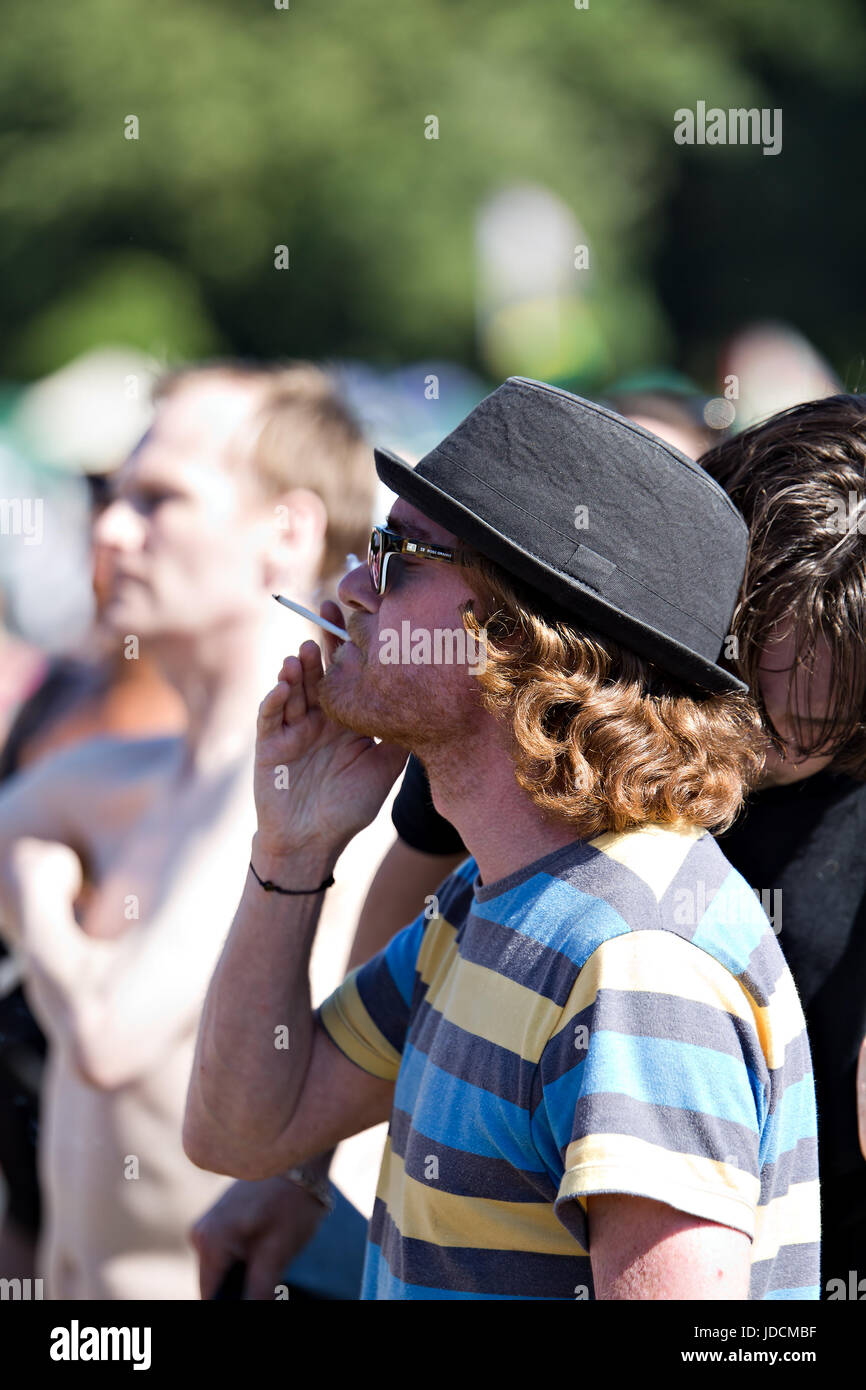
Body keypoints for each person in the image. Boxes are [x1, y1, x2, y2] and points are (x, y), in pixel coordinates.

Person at [185, 376, 820, 1299]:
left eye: (396, 556)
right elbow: (243, 1132)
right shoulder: (499, 894)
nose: (352, 587)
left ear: (517, 639)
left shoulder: (636, 960)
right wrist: (291, 851)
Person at [0, 359, 394, 1299]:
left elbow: (107, 1039)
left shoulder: (311, 791)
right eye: (111, 496)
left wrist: (41, 897)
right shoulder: (111, 778)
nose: (110, 529)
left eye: (158, 499)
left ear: (287, 530)